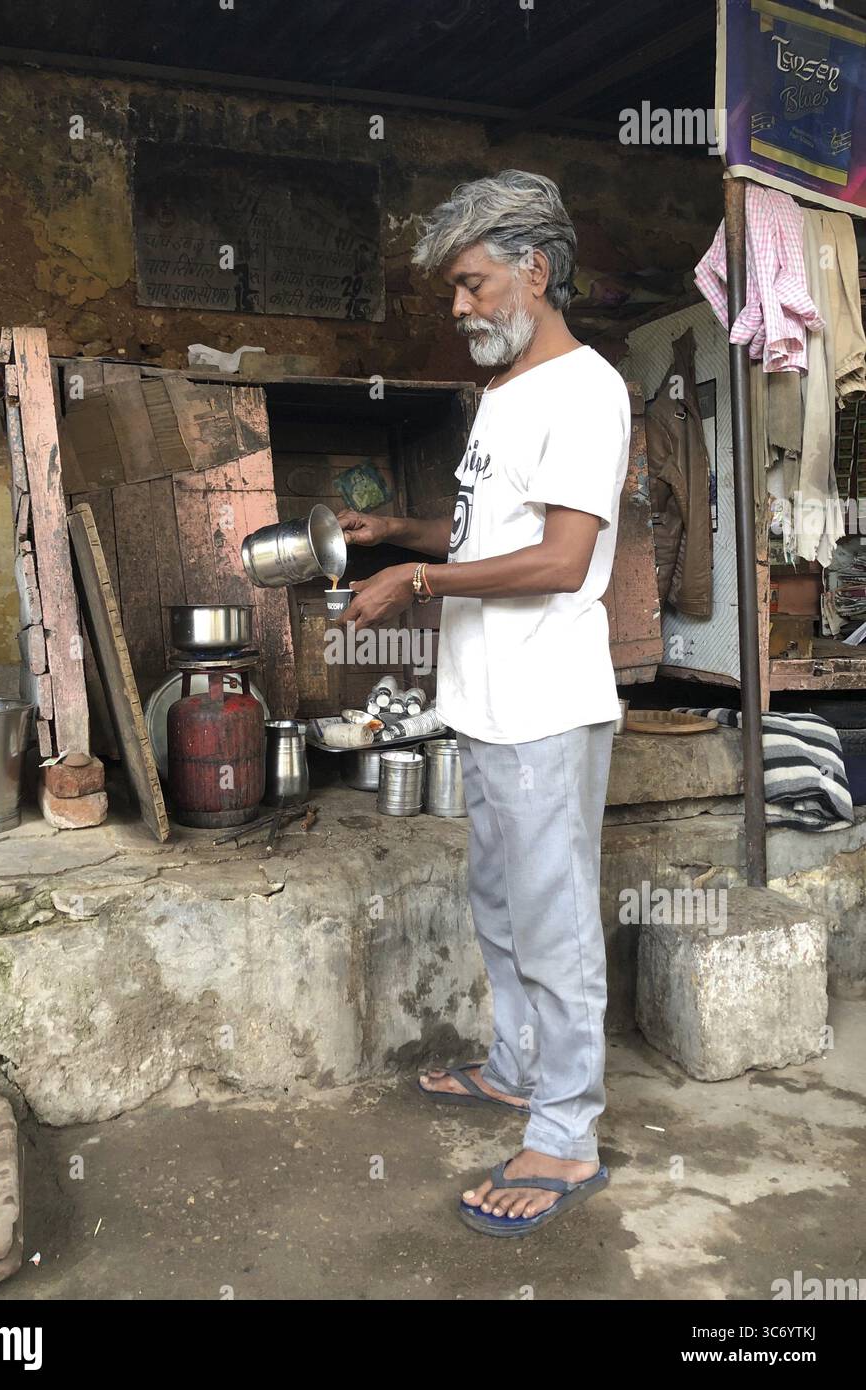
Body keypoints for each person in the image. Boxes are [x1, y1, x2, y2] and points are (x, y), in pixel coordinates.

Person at [336, 169, 631, 1237]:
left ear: (535, 271)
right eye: (453, 291)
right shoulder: (504, 395)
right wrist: (405, 537)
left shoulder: (587, 388)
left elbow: (558, 559)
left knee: (553, 926)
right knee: (503, 910)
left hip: (549, 703)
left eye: (470, 285)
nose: (457, 309)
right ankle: (517, 1068)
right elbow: (492, 536)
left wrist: (416, 584)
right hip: (491, 705)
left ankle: (566, 1131)